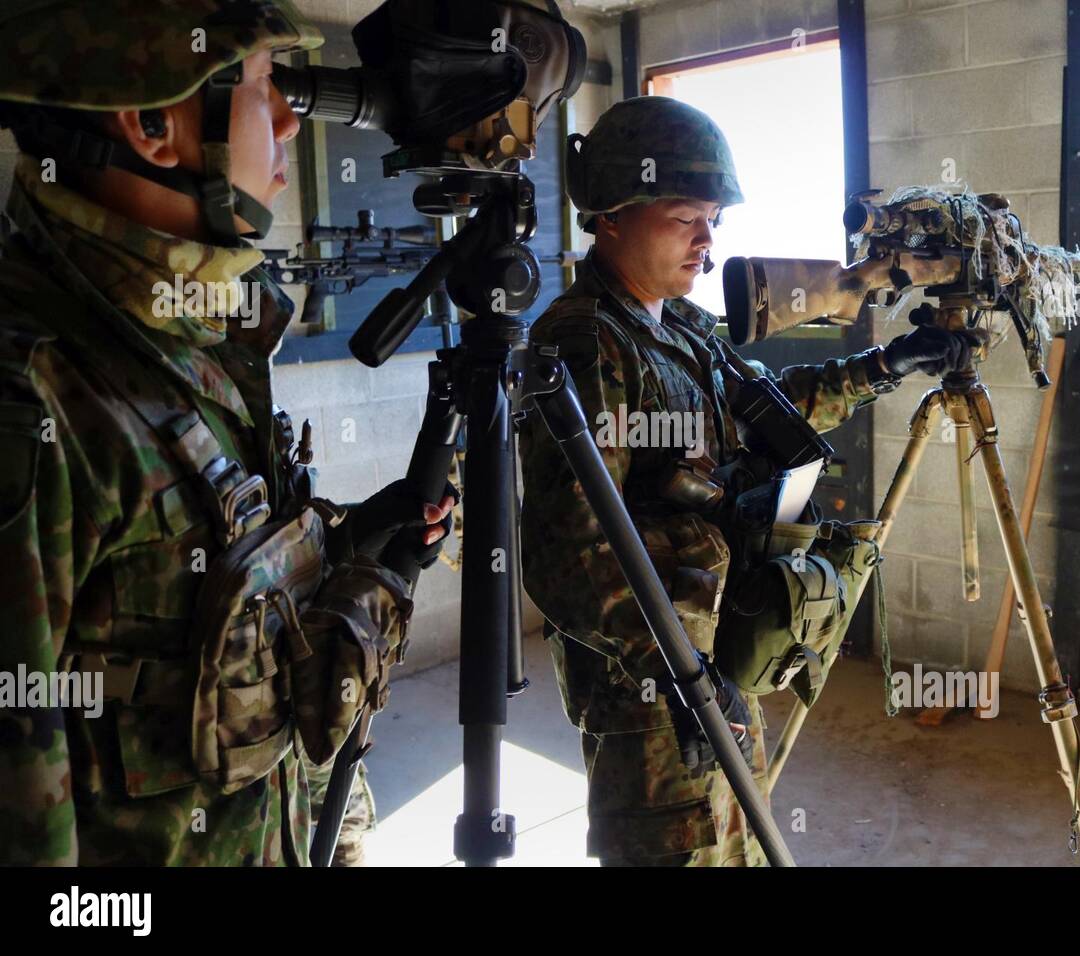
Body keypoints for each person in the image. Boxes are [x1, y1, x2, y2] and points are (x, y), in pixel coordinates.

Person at [0, 0, 452, 866]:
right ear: (149, 123)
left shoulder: (195, 337)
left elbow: (204, 610)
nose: (287, 116)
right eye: (256, 87)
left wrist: (356, 539)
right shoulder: (38, 396)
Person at [519, 95, 983, 866]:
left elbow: (769, 411)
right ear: (611, 214)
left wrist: (883, 366)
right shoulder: (584, 344)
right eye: (685, 218)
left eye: (714, 218)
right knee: (681, 852)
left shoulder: (684, 325)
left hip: (713, 654)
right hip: (650, 686)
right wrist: (690, 679)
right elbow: (571, 557)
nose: (709, 241)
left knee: (735, 845)